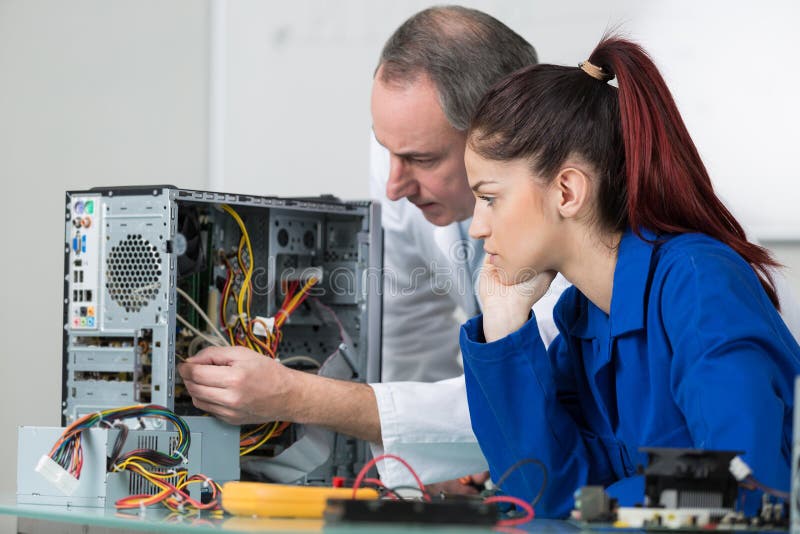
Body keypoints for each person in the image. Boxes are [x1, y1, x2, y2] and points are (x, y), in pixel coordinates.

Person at [177, 6, 564, 490]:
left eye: (420, 159)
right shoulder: (401, 160)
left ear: (503, 135)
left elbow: (531, 392)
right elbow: (407, 341)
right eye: (386, 150)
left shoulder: (570, 214)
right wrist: (419, 471)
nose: (395, 185)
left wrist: (296, 395)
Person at [459, 35, 800, 518]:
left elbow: (741, 483)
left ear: (567, 191)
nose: (477, 227)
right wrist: (503, 323)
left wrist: (596, 503)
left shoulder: (700, 285)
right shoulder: (583, 316)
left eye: (490, 197)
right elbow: (540, 493)